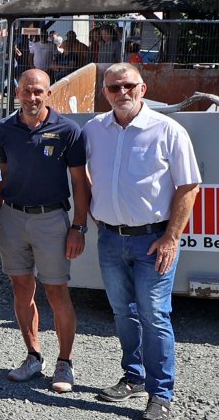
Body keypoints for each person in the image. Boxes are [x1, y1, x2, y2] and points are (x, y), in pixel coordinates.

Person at [83, 63, 201, 420]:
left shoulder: (168, 130)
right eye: (114, 88)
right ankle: (133, 376)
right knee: (123, 313)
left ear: (143, 89)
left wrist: (171, 238)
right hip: (110, 238)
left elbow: (188, 186)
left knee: (154, 315)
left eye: (128, 86)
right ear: (104, 93)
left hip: (154, 242)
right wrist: (95, 204)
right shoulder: (93, 130)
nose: (121, 93)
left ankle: (161, 392)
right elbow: (83, 172)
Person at [0, 69, 90, 392]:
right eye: (26, 91)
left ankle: (65, 363)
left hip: (52, 220)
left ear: (49, 94)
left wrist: (78, 226)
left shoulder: (67, 130)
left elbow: (79, 182)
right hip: (13, 218)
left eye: (39, 92)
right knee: (21, 289)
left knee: (56, 291)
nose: (32, 97)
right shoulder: (4, 129)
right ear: (17, 92)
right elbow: (1, 178)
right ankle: (33, 356)